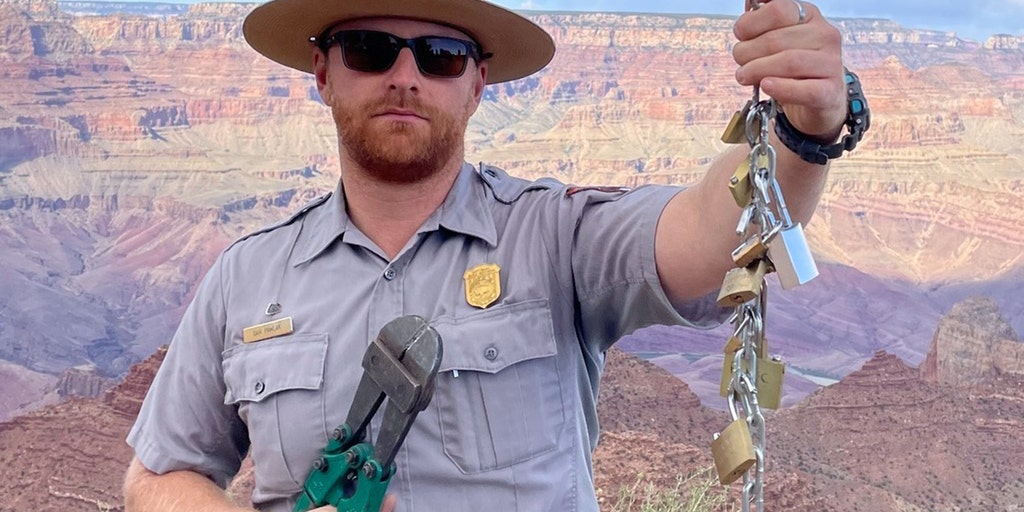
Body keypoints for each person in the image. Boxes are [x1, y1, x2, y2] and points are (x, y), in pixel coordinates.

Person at [122, 0, 863, 510]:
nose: (404, 77)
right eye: (371, 50)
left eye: (440, 56)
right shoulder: (246, 279)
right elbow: (158, 474)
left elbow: (710, 232)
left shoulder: (556, 238)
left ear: (477, 83)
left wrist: (804, 131)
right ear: (322, 72)